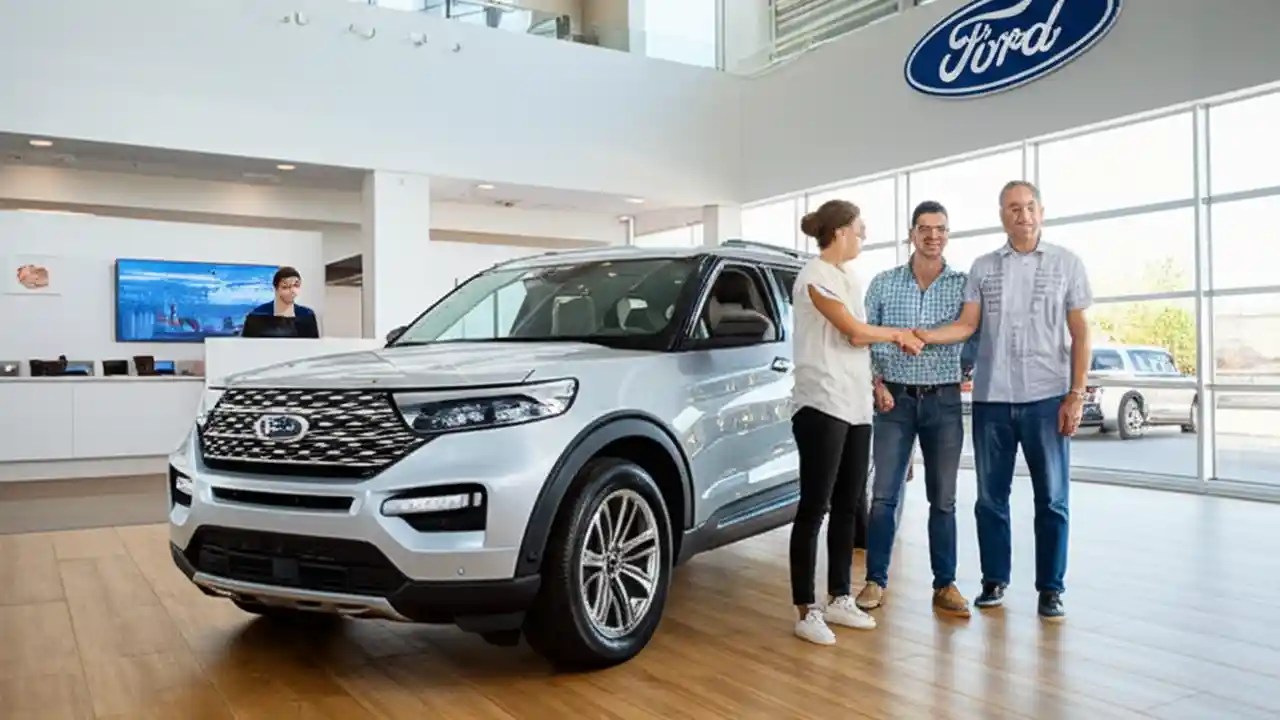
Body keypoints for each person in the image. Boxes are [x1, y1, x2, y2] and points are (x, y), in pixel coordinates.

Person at [914, 181, 1091, 621]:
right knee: (990, 499)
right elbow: (966, 325)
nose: (1022, 214)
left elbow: (1081, 333)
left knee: (1052, 499)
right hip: (993, 400)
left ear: (1041, 212)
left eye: (1029, 207)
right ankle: (994, 580)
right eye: (1014, 208)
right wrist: (925, 337)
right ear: (1002, 215)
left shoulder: (1067, 264)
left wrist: (1076, 392)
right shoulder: (982, 267)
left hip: (1047, 398)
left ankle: (1051, 588)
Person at [788, 198, 925, 645]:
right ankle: (806, 609)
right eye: (860, 228)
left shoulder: (850, 277)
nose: (864, 234)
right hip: (820, 403)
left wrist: (875, 384)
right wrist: (898, 334)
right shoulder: (814, 276)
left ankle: (839, 597)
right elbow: (852, 330)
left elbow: (859, 347)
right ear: (841, 230)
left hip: (853, 405)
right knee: (815, 508)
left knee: (849, 505)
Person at [858, 200, 971, 618]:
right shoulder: (884, 283)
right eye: (924, 228)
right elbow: (865, 337)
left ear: (948, 233)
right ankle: (875, 581)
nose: (932, 236)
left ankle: (945, 585)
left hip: (943, 401)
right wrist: (876, 383)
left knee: (943, 499)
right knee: (884, 495)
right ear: (911, 234)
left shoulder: (962, 284)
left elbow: (973, 333)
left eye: (940, 228)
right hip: (894, 401)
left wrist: (967, 364)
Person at [243, 266, 320, 338]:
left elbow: (313, 347)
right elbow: (247, 347)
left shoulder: (307, 316)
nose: (292, 291)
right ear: (276, 288)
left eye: (296, 285)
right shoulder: (256, 316)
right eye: (285, 287)